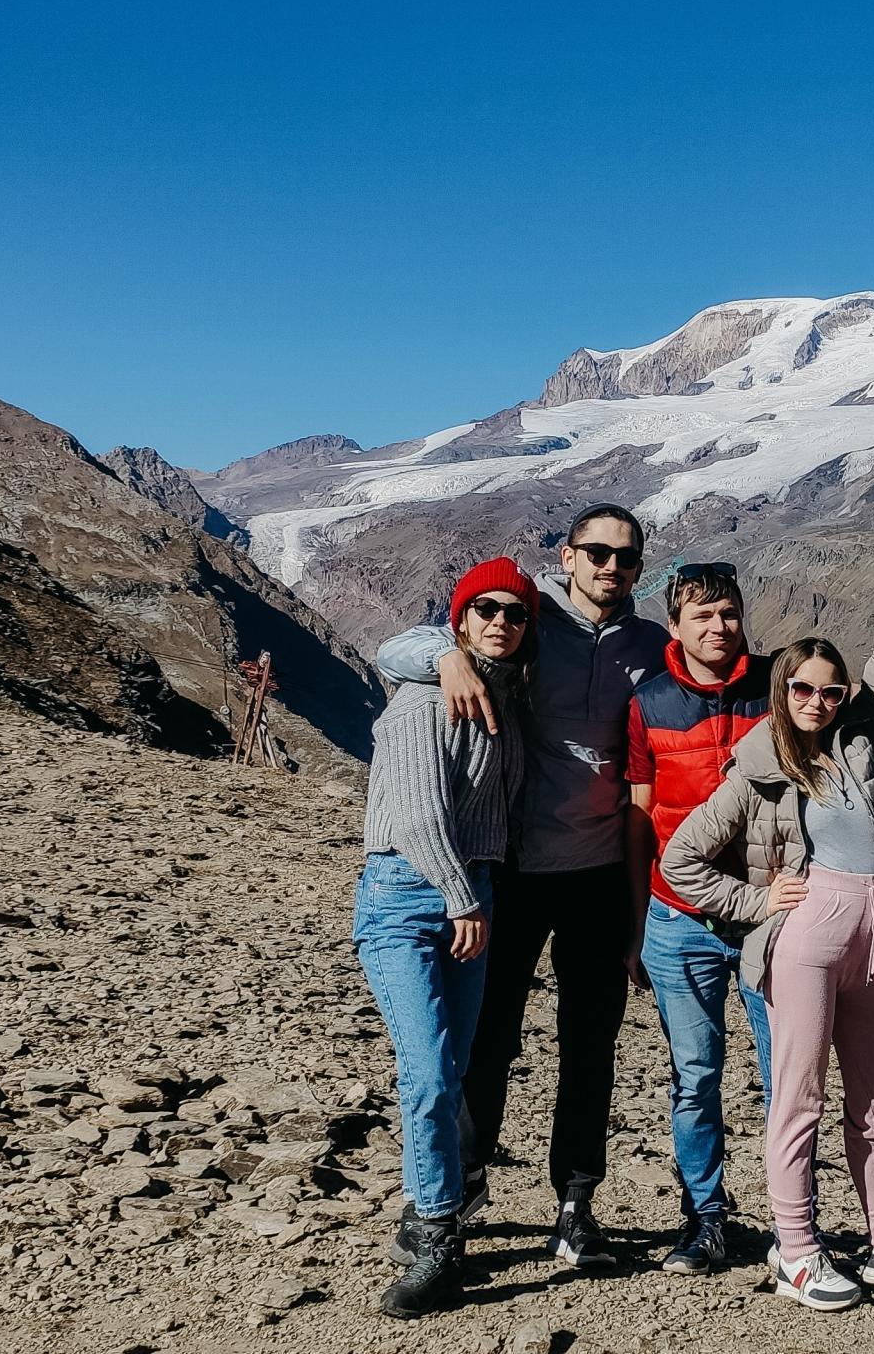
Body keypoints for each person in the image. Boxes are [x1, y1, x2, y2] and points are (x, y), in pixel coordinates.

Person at [632, 511, 874, 1276]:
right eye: (801, 688)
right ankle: (789, 1247)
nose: (816, 699)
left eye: (828, 689)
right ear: (781, 692)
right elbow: (679, 855)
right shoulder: (759, 764)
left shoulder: (857, 736)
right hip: (794, 936)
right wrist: (755, 903)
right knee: (788, 1095)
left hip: (867, 935)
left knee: (873, 1097)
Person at [372, 504, 667, 1270]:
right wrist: (446, 655)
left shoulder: (650, 647)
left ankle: (576, 1202)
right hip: (513, 865)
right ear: (567, 556)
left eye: (626, 557)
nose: (610, 566)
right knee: (487, 1037)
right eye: (596, 552)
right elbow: (396, 648)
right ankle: (462, 1182)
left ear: (639, 568)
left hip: (599, 870)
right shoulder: (529, 618)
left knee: (590, 1044)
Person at [355, 557, 536, 1318]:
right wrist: (464, 898)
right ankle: (437, 1234)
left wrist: (479, 894)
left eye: (515, 613)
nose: (500, 622)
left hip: (473, 895)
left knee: (452, 1068)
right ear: (458, 621)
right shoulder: (424, 699)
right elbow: (417, 815)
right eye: (485, 609)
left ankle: (430, 1204)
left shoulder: (505, 699)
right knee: (428, 1071)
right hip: (407, 897)